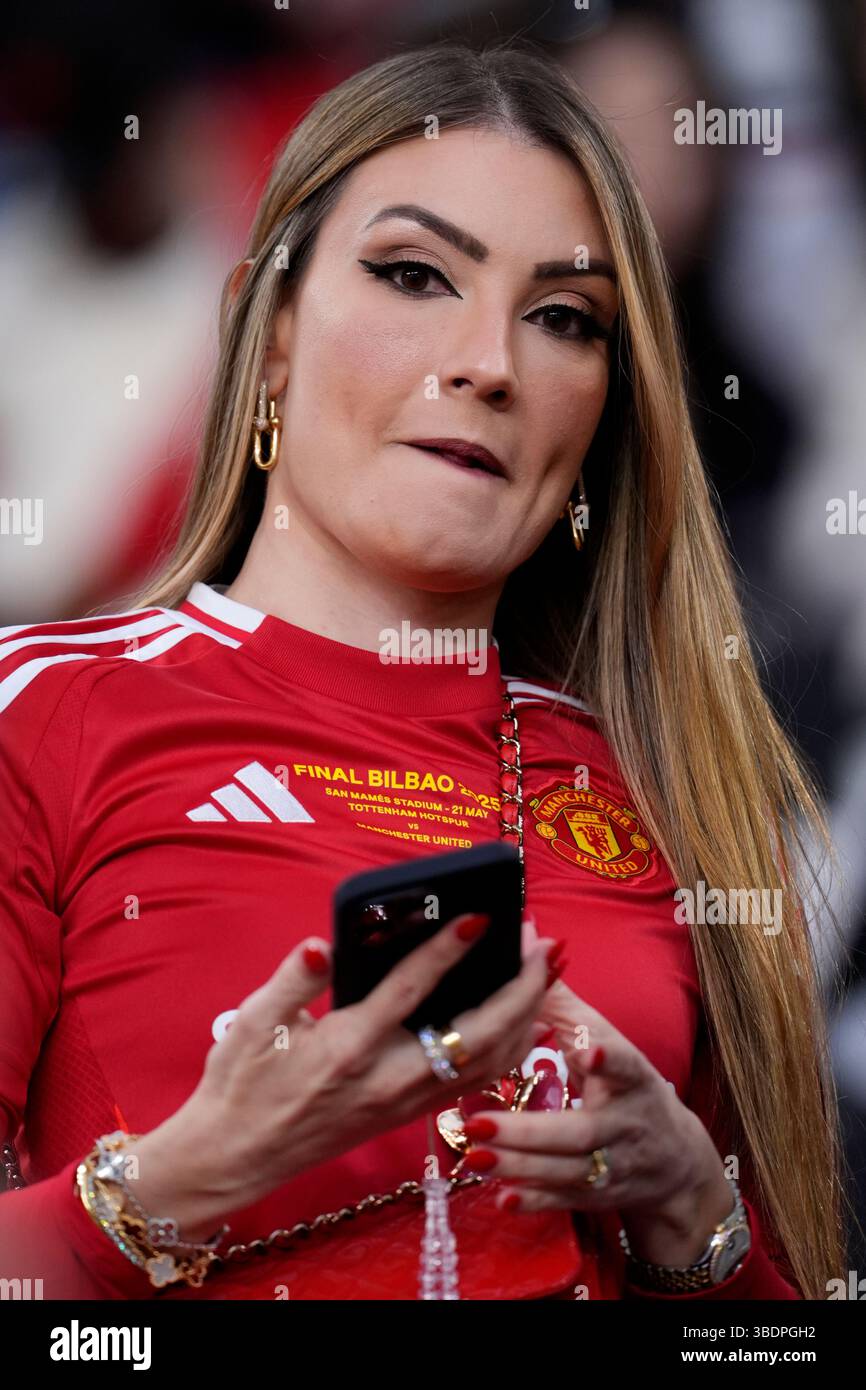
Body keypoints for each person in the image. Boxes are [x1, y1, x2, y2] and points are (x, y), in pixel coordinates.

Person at [0, 39, 848, 1300]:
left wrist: (691, 1212)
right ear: (266, 335)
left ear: (606, 411)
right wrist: (175, 1183)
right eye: (412, 274)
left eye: (564, 317)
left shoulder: (669, 784)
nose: (489, 363)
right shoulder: (48, 710)